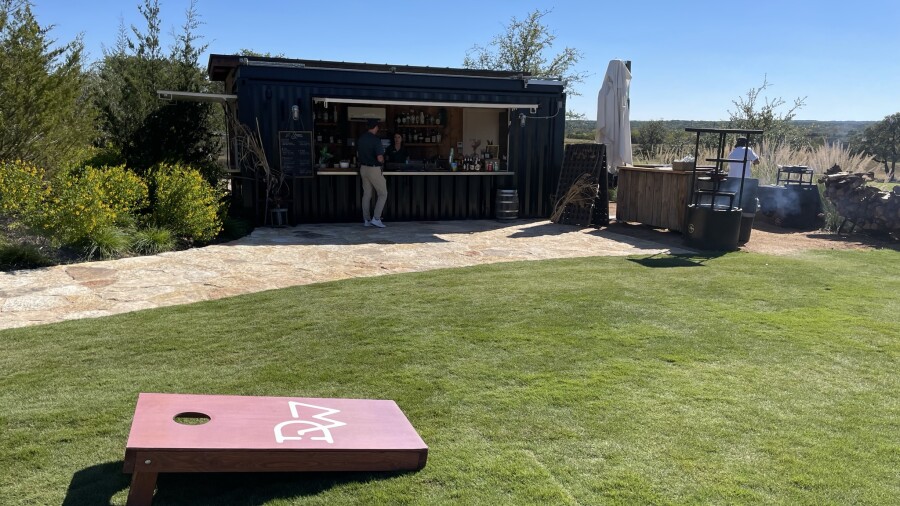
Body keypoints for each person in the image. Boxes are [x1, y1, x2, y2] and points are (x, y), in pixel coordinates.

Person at [357, 118, 387, 227]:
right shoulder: (376, 140)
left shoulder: (361, 139)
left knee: (367, 194)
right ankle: (376, 218)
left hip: (363, 168)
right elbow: (380, 158)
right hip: (374, 169)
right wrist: (383, 161)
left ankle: (366, 220)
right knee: (383, 193)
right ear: (375, 127)